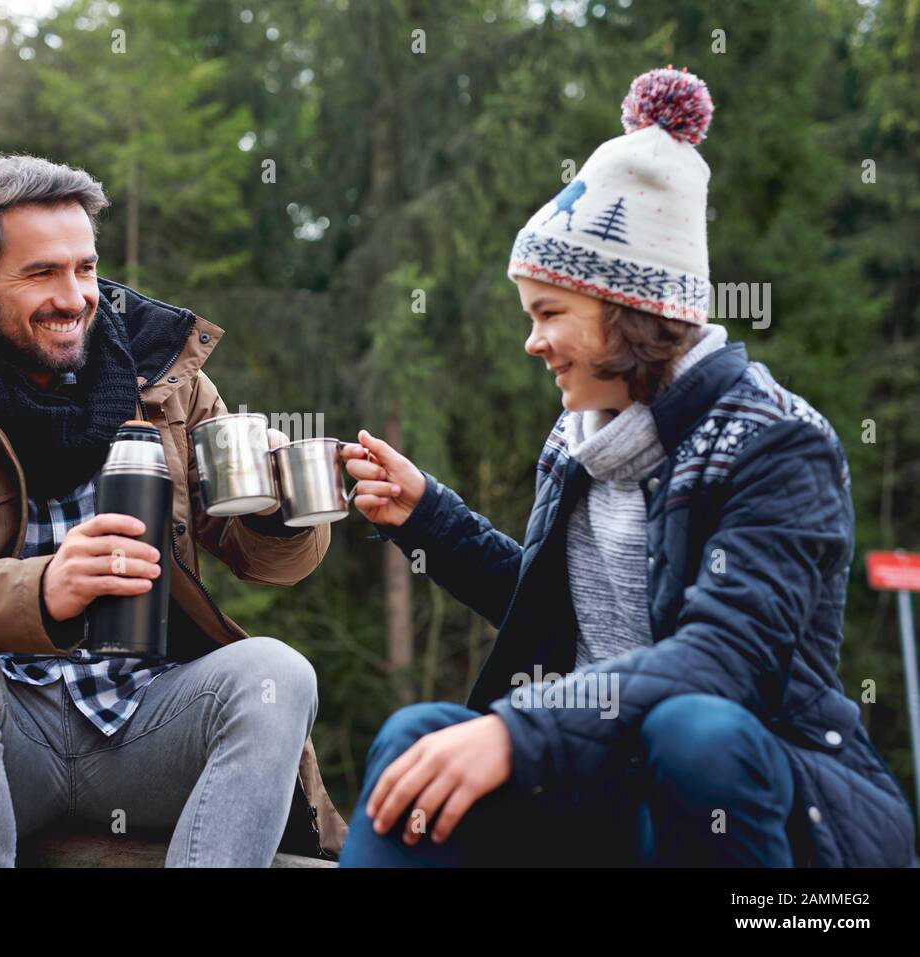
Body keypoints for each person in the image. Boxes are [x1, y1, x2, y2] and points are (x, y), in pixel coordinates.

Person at [338, 68, 915, 867]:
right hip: (608, 772)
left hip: (759, 794)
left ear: (631, 311)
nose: (532, 343)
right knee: (417, 740)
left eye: (549, 315)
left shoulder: (780, 443)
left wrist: (519, 728)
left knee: (696, 732)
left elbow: (723, 661)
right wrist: (429, 517)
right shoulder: (582, 434)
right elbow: (567, 614)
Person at [0, 154, 347, 868]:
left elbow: (260, 559)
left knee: (278, 673)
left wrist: (279, 508)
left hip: (147, 729)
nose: (75, 296)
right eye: (41, 273)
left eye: (84, 268)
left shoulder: (165, 378)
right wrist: (43, 590)